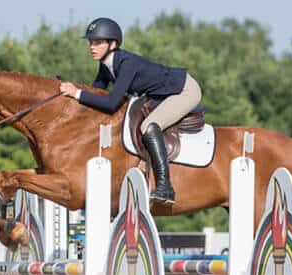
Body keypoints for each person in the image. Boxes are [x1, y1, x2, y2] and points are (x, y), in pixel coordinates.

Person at [60, 17, 202, 204]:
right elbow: (95, 93)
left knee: (150, 126)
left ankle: (165, 187)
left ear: (113, 44)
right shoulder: (105, 66)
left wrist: (76, 93)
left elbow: (111, 102)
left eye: (98, 42)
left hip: (184, 90)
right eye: (90, 42)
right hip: (160, 95)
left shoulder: (127, 63)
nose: (92, 47)